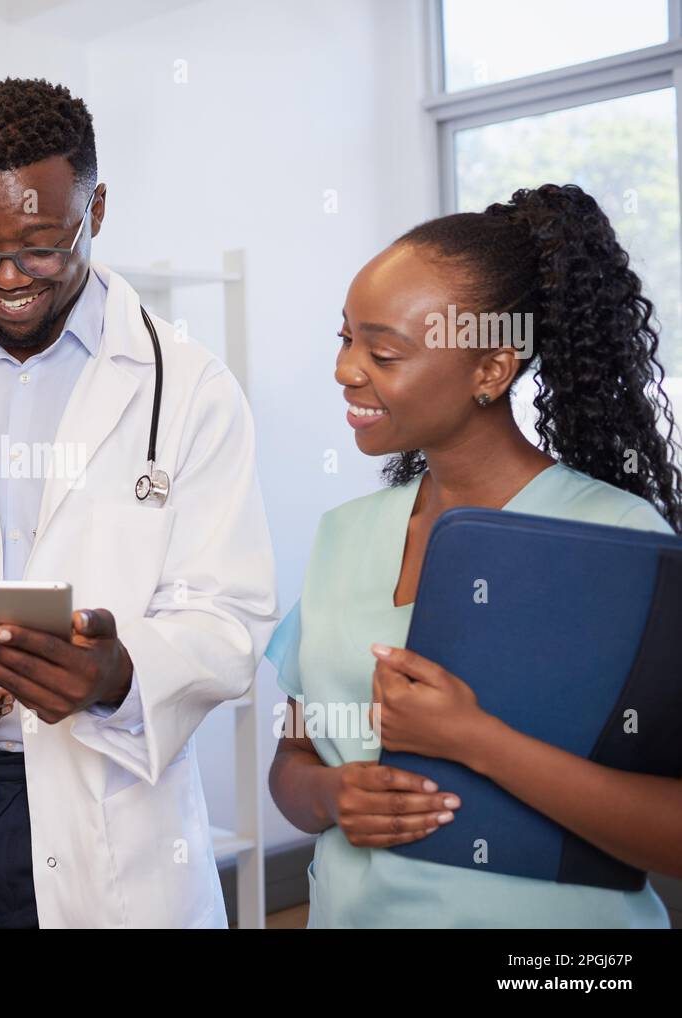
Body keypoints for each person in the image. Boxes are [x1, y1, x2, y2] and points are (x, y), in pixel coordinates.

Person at [0, 78, 278, 928]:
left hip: (111, 802)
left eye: (39, 246)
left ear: (95, 209)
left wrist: (121, 672)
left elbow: (232, 614)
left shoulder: (188, 390)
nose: (5, 279)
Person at [267, 183, 682, 928]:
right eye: (345, 339)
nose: (346, 370)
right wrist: (333, 797)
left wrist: (477, 742)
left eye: (383, 351)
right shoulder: (344, 534)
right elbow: (294, 758)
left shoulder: (619, 537)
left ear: (491, 370)